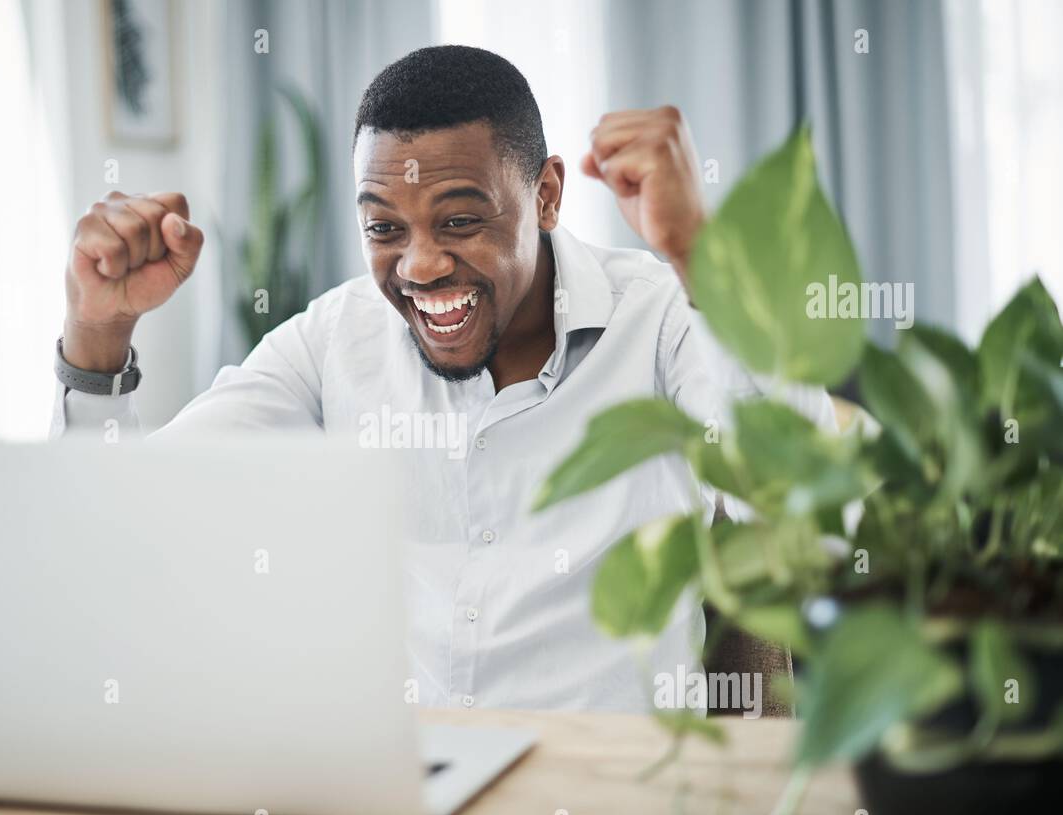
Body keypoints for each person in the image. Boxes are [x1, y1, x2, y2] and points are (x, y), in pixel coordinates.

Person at [50, 45, 833, 712]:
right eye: (384, 229)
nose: (420, 266)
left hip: (615, 804)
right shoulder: (336, 337)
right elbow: (126, 520)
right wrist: (98, 329)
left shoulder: (662, 317)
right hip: (407, 806)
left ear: (547, 195)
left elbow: (809, 495)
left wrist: (701, 256)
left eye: (460, 220)